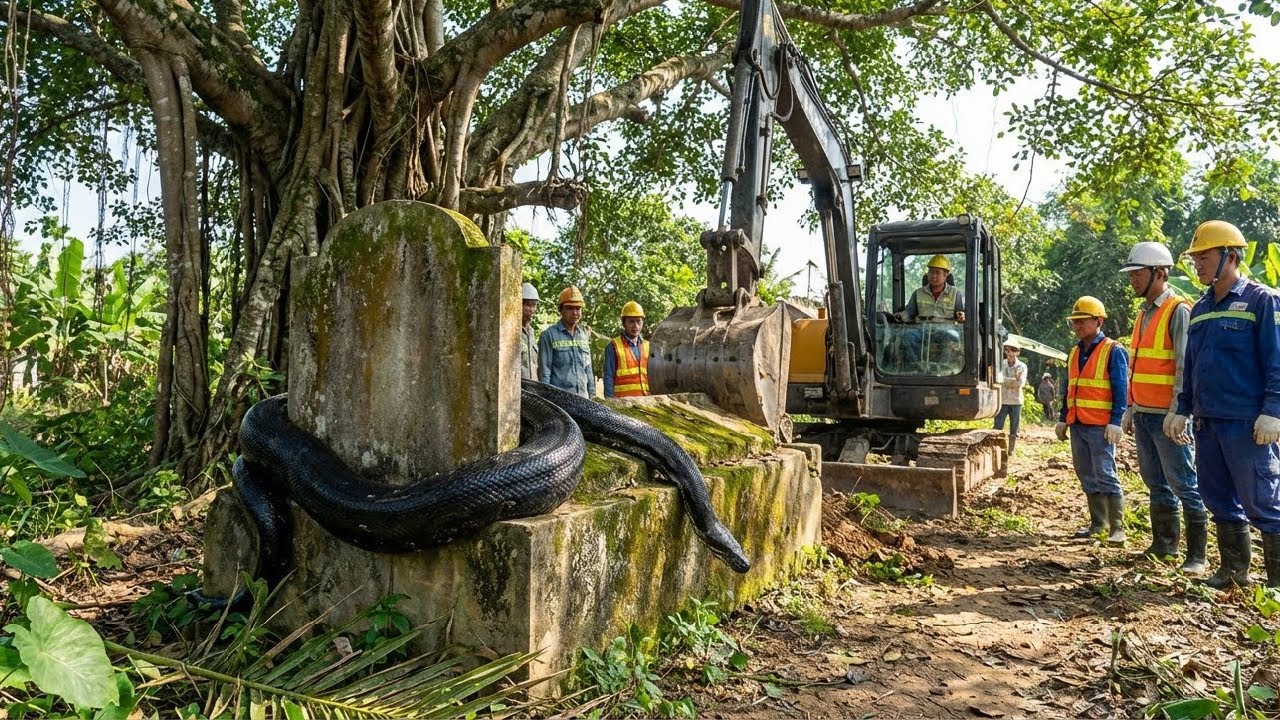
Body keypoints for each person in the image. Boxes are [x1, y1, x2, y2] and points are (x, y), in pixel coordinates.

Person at [1172, 220, 1280, 588]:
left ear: (1230, 256)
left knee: (1263, 501)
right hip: (1208, 421)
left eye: (1205, 257)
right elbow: (1191, 365)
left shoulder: (1261, 300)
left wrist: (1273, 411)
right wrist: (1182, 407)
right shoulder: (1200, 308)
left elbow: (1276, 359)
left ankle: (1277, 585)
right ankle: (1234, 573)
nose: (1197, 264)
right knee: (1217, 496)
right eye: (1195, 258)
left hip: (1247, 422)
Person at [1119, 242, 1207, 573]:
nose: (1133, 281)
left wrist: (1179, 411)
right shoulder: (1143, 314)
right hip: (1144, 414)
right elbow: (1137, 365)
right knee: (1156, 483)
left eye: (1138, 274)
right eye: (1131, 275)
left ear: (1160, 272)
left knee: (1185, 483)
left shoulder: (1178, 310)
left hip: (1168, 418)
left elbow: (1185, 364)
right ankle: (1164, 545)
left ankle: (1197, 556)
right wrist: (1130, 405)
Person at [1055, 296, 1129, 543]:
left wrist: (1116, 420)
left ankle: (1117, 528)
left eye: (1082, 321)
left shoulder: (1113, 350)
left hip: (1101, 425)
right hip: (1078, 423)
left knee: (1106, 473)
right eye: (1074, 322)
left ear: (1098, 321)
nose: (1077, 326)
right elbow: (1069, 387)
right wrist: (1063, 418)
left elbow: (1121, 387)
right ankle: (1098, 524)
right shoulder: (1075, 352)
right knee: (1086, 473)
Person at [537, 286, 595, 397]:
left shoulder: (583, 335)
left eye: (578, 308)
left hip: (583, 399)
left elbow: (588, 369)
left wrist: (592, 394)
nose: (574, 312)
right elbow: (545, 373)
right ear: (561, 310)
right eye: (570, 308)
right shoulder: (548, 336)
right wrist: (546, 401)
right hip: (560, 400)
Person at [896, 254, 966, 323]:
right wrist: (898, 317)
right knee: (909, 334)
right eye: (931, 272)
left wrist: (961, 316)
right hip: (922, 331)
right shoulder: (918, 293)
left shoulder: (955, 293)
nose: (933, 276)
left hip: (947, 331)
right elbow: (909, 313)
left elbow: (960, 315)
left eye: (937, 272)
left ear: (945, 275)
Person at [604, 301, 651, 398]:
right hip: (623, 403)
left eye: (638, 321)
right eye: (631, 321)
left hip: (647, 401)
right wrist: (610, 402)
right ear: (623, 323)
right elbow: (608, 376)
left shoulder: (648, 346)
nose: (636, 326)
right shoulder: (613, 346)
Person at [993, 343, 1026, 456]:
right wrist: (1012, 380)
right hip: (1002, 400)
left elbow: (1020, 383)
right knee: (997, 426)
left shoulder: (1022, 366)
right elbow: (998, 380)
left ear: (1017, 352)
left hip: (1016, 401)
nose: (1010, 353)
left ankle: (1011, 451)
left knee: (1014, 428)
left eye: (1012, 350)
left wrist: (1006, 381)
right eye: (1007, 350)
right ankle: (995, 448)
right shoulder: (1000, 364)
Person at [520, 282, 540, 380]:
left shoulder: (531, 332)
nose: (531, 309)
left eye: (534, 305)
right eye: (528, 305)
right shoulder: (513, 331)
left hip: (533, 389)